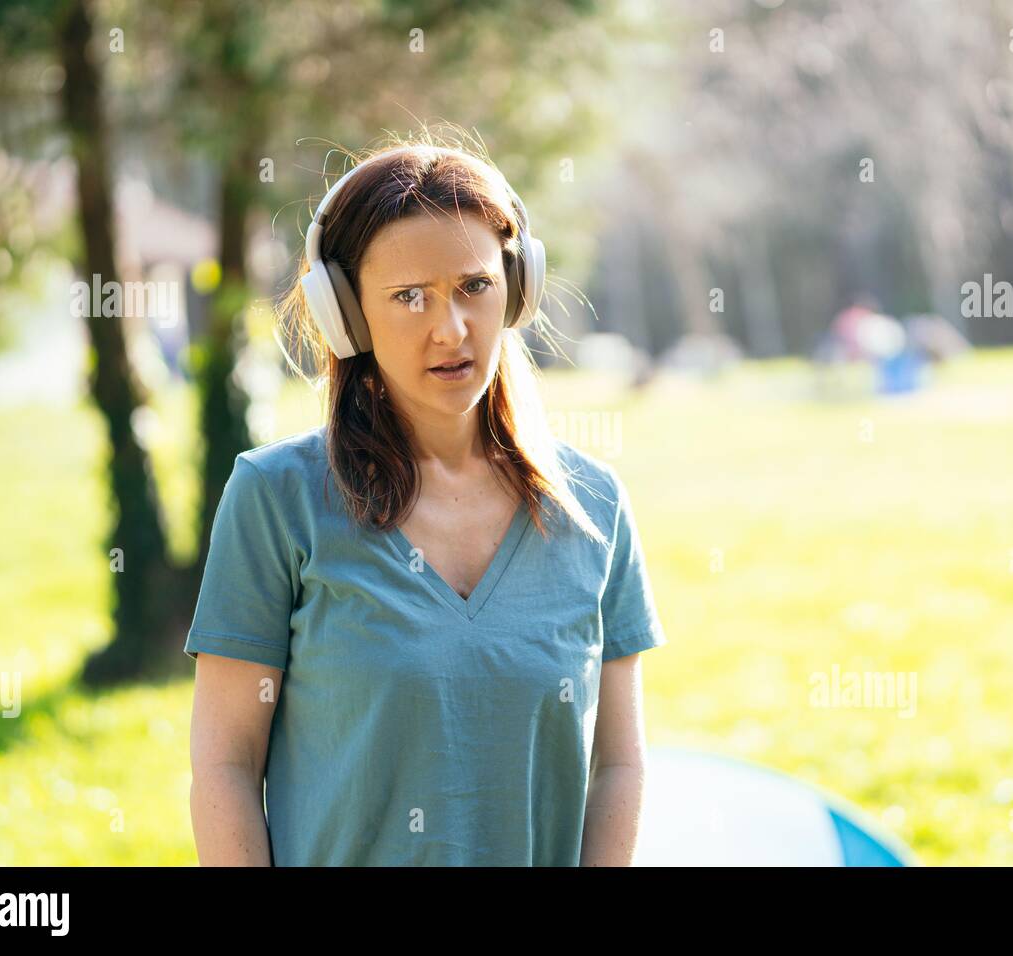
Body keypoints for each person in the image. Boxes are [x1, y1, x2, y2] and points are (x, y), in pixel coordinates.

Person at [184, 139, 668, 866]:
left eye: (473, 286)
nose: (450, 329)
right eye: (409, 297)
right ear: (347, 316)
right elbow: (224, 766)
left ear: (517, 287)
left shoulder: (593, 506)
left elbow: (620, 764)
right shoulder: (275, 499)